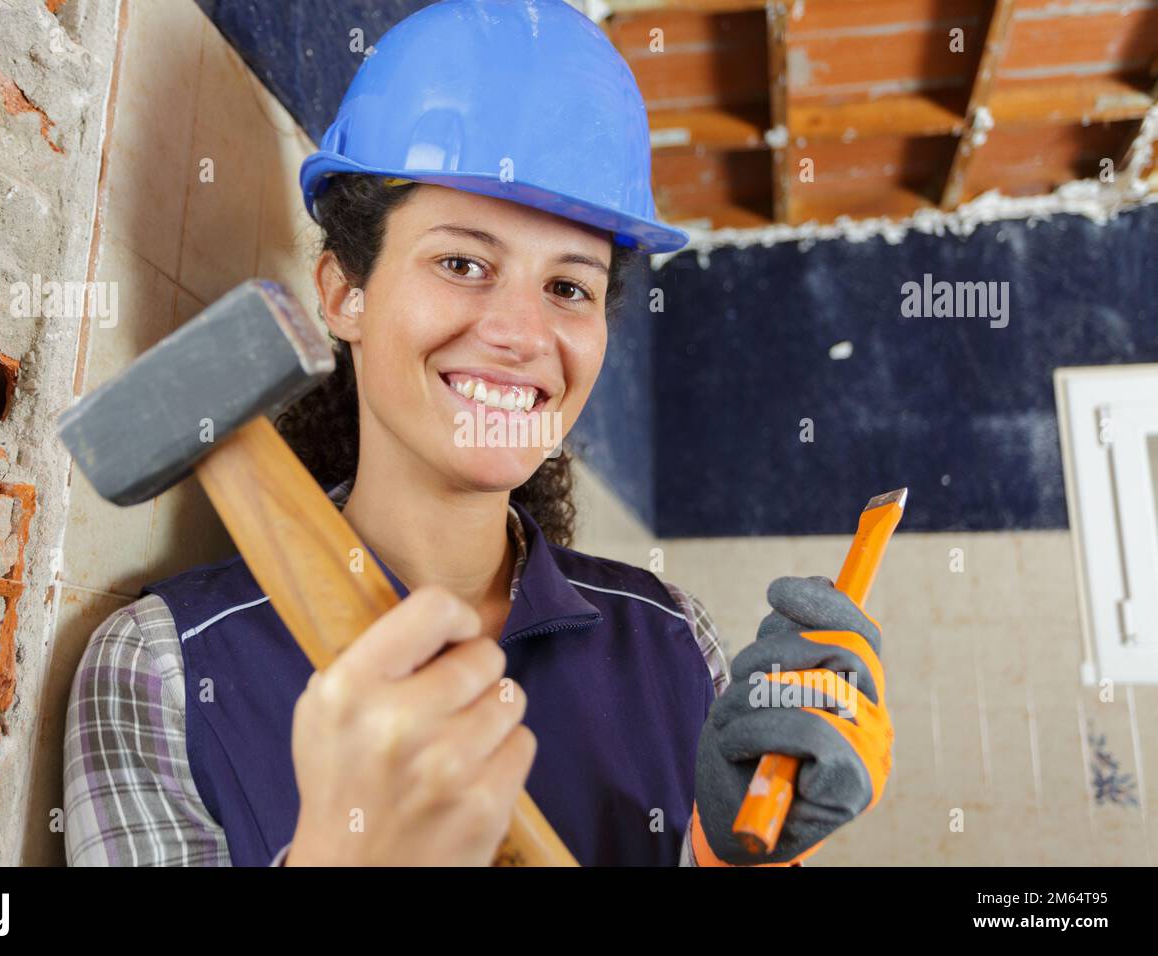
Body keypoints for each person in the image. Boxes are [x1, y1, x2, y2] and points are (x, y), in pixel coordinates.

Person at [63, 0, 892, 867]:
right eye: (463, 263)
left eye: (569, 287)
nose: (525, 335)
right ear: (346, 293)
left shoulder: (674, 640)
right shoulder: (163, 670)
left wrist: (733, 860)